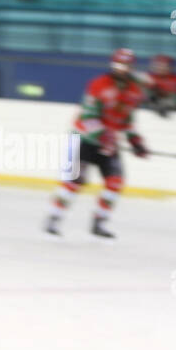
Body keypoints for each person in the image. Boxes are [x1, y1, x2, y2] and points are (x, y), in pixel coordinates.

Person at [44, 49, 147, 240]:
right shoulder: (98, 85)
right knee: (74, 181)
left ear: (131, 67)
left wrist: (136, 141)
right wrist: (104, 135)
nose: (121, 69)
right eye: (118, 64)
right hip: (83, 138)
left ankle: (99, 221)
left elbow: (127, 121)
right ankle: (54, 217)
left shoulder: (134, 90)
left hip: (107, 143)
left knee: (115, 181)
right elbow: (88, 116)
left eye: (125, 65)